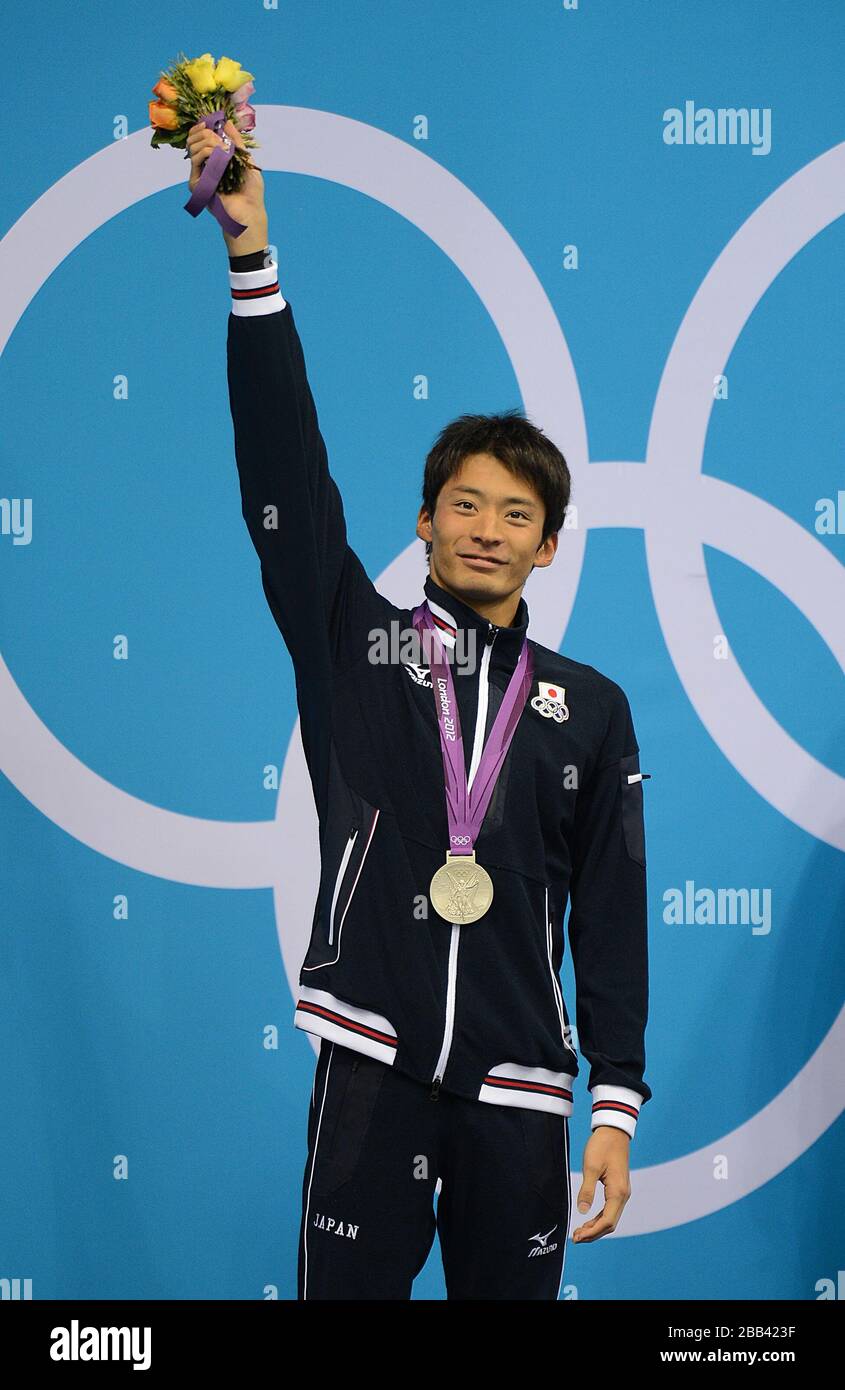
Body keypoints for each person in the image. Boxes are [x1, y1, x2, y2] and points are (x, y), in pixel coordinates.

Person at [186, 120, 653, 1300]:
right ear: (423, 521)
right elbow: (284, 474)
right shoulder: (358, 643)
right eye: (462, 504)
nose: (484, 528)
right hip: (371, 1067)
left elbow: (610, 913)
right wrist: (252, 261)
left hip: (519, 1094)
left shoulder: (588, 709)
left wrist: (615, 1105)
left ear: (546, 546)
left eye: (512, 514)